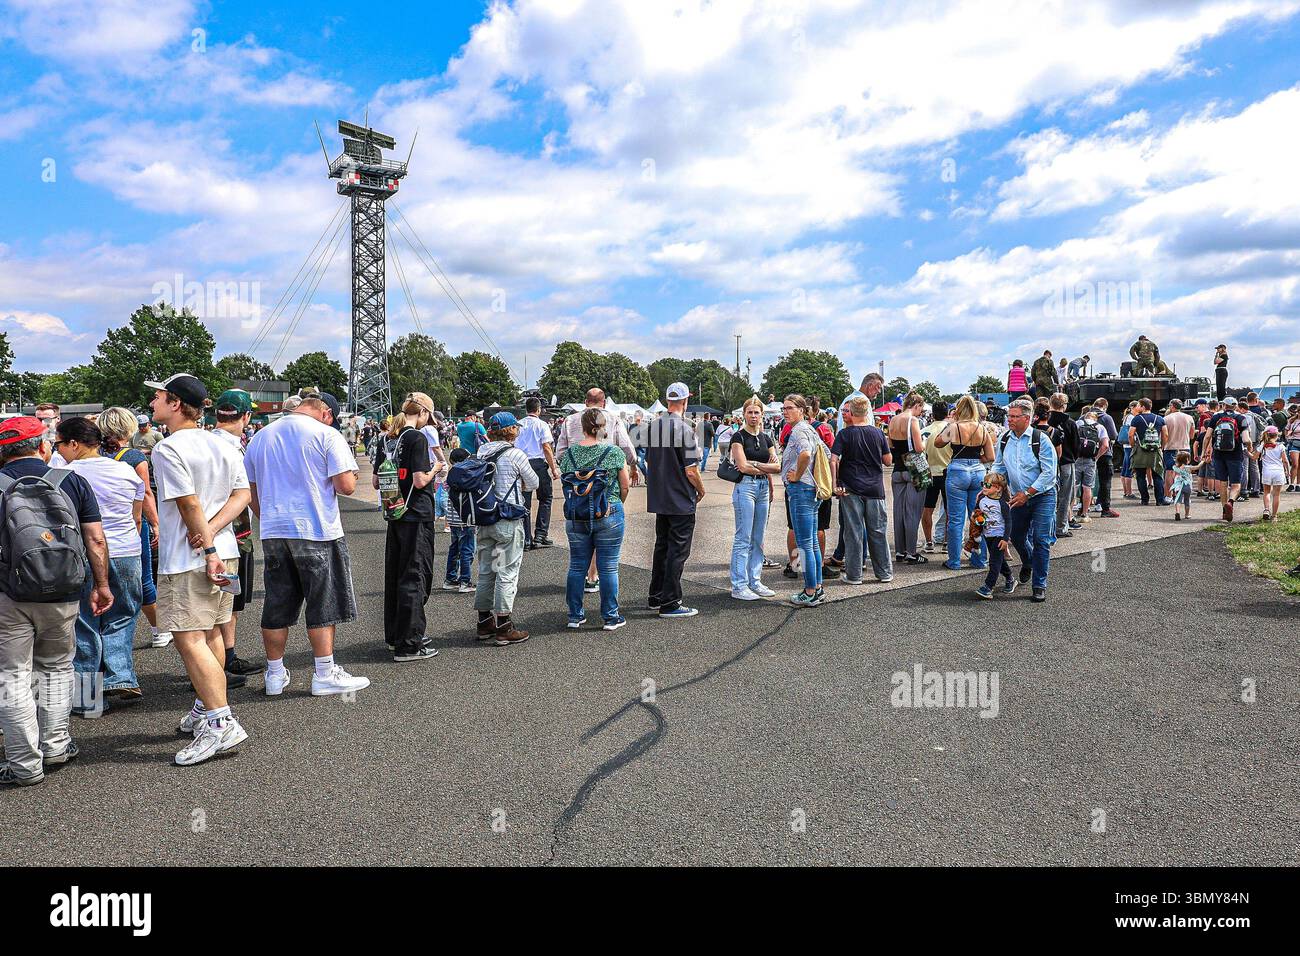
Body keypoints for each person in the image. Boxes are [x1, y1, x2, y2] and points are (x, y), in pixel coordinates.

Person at [0, 416, 112, 785]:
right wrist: (101, 584)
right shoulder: (71, 481)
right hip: (64, 592)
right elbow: (95, 539)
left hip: (9, 595)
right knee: (57, 668)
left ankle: (25, 765)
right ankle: (56, 746)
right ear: (44, 446)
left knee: (13, 677)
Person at [146, 373, 251, 765]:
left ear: (175, 403)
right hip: (224, 551)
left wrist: (205, 542)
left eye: (157, 397)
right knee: (210, 637)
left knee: (188, 638)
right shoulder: (222, 443)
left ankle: (221, 722)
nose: (152, 403)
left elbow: (188, 504)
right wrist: (216, 532)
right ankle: (207, 709)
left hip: (191, 558)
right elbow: (242, 494)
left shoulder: (168, 448)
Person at [243, 391, 370, 696]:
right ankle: (324, 672)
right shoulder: (327, 434)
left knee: (277, 601)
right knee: (323, 600)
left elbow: (251, 489)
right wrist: (351, 472)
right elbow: (347, 486)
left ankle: (274, 675)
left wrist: (269, 518)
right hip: (315, 529)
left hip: (274, 530)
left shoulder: (261, 436)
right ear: (327, 413)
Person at [57, 417, 146, 713]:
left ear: (73, 443)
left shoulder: (63, 475)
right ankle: (120, 674)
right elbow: (136, 517)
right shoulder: (126, 470)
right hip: (127, 551)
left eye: (59, 444)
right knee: (123, 613)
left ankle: (88, 697)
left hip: (86, 553)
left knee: (84, 621)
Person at [372, 392, 439, 662]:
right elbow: (420, 480)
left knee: (396, 573)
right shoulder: (416, 438)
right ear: (422, 413)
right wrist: (437, 469)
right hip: (416, 512)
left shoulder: (386, 439)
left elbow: (377, 482)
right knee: (416, 575)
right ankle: (410, 643)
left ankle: (396, 635)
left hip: (394, 511)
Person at [97, 407, 171, 650]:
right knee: (144, 580)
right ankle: (159, 630)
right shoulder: (135, 458)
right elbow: (146, 494)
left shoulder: (93, 455)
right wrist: (156, 524)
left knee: (102, 582)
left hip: (97, 528)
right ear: (128, 429)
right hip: (130, 524)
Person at [556, 388, 640, 593]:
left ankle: (583, 581)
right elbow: (626, 447)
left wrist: (573, 466)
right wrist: (633, 465)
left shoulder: (570, 420)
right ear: (603, 403)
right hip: (605, 480)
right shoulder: (612, 419)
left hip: (576, 483)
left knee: (582, 528)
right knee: (602, 522)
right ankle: (594, 575)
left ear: (586, 402)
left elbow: (560, 452)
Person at [559, 408, 630, 629]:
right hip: (608, 511)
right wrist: (617, 504)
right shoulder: (614, 452)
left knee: (577, 566)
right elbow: (625, 485)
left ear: (582, 427)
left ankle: (575, 615)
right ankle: (610, 616)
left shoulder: (569, 455)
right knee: (608, 566)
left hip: (576, 514)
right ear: (603, 427)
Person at [209, 391, 264, 678]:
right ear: (246, 417)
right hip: (231, 534)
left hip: (230, 533)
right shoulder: (228, 447)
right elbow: (238, 494)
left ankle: (227, 656)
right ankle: (216, 664)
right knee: (223, 603)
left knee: (230, 601)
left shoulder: (215, 443)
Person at [471, 412, 538, 644]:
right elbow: (534, 483)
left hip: (484, 518)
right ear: (511, 430)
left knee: (486, 570)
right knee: (507, 571)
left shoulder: (482, 451)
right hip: (507, 519)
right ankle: (503, 626)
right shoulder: (515, 454)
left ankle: (484, 622)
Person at [990, 397, 1058, 602]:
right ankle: (1028, 561)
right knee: (1017, 537)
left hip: (1042, 496)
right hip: (1018, 497)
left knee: (1041, 539)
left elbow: (1049, 474)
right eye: (1009, 416)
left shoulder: (1041, 439)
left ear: (1027, 418)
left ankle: (1039, 585)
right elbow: (999, 466)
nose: (1009, 420)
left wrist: (1027, 493)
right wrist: (989, 484)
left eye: (1014, 416)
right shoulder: (1004, 439)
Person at [646, 383, 705, 617]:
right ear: (685, 401)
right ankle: (670, 601)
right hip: (680, 497)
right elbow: (691, 470)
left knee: (662, 547)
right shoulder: (686, 429)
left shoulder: (652, 427)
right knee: (677, 551)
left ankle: (656, 594)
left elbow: (650, 460)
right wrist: (701, 490)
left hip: (661, 496)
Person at [831, 395, 894, 584]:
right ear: (867, 412)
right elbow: (888, 460)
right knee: (878, 531)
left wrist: (835, 485)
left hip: (850, 487)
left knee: (853, 532)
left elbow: (833, 459)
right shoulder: (877, 434)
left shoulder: (844, 434)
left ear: (851, 413)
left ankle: (854, 574)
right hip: (875, 488)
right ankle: (884, 573)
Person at [727, 397, 779, 600]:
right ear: (744, 414)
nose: (754, 416)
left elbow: (777, 467)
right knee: (743, 537)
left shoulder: (767, 439)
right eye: (750, 412)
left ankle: (754, 581)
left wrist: (755, 464)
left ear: (762, 415)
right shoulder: (738, 437)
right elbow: (742, 466)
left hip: (763, 488)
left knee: (759, 537)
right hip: (745, 487)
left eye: (757, 412)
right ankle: (739, 585)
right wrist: (762, 466)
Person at [934, 396, 993, 571]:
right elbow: (991, 457)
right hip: (977, 471)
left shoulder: (953, 427)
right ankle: (979, 559)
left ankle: (954, 561)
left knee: (955, 520)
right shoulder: (982, 428)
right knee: (977, 517)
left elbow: (938, 442)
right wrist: (976, 460)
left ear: (958, 409)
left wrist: (952, 422)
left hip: (957, 471)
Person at [781, 394, 825, 606]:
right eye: (784, 408)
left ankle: (809, 590)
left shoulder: (799, 430)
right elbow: (824, 452)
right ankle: (816, 587)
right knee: (812, 543)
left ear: (801, 409)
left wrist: (797, 475)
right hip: (811, 490)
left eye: (789, 408)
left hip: (802, 489)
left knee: (805, 543)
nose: (785, 411)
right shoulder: (810, 428)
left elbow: (806, 455)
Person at [887, 392, 929, 565]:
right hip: (914, 470)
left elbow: (890, 445)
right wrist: (926, 441)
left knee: (898, 512)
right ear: (917, 405)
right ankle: (912, 552)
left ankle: (900, 551)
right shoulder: (913, 421)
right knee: (912, 512)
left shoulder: (893, 420)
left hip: (897, 469)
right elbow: (919, 448)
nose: (921, 412)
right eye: (921, 408)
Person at [516, 397, 559, 550]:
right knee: (545, 498)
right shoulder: (542, 425)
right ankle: (540, 535)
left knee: (525, 501)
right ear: (539, 409)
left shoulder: (519, 424)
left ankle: (526, 539)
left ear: (526, 409)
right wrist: (553, 468)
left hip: (521, 463)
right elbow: (546, 447)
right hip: (538, 464)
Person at [1206, 397, 1251, 522]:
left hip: (1219, 454)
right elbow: (1246, 439)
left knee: (1223, 483)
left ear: (1223, 405)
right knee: (1236, 484)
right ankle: (1230, 502)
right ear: (1236, 406)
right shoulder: (1241, 418)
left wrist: (1206, 451)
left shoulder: (1216, 417)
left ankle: (1224, 512)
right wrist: (1250, 448)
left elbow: (1208, 436)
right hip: (1235, 455)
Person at [972, 473, 1016, 599]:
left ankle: (988, 587)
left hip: (999, 535)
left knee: (994, 562)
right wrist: (975, 517)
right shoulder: (981, 499)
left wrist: (1005, 539)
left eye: (987, 485)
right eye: (983, 484)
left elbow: (1008, 522)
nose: (984, 487)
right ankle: (1010, 578)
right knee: (999, 560)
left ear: (998, 488)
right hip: (987, 534)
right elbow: (977, 512)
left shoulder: (1002, 504)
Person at [919, 402, 952, 554]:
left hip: (929, 472)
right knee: (949, 509)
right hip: (948, 472)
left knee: (927, 509)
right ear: (947, 413)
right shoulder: (951, 430)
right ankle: (946, 542)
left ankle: (929, 541)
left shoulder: (924, 431)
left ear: (932, 414)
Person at [441, 447, 475, 592]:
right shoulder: (464, 475)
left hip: (453, 519)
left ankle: (450, 579)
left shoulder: (450, 476)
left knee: (454, 550)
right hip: (465, 519)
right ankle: (465, 582)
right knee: (467, 550)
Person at [1046, 394, 1080, 536]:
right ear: (1064, 405)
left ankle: (1048, 527)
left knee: (1048, 496)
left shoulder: (1045, 420)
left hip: (1047, 464)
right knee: (1065, 497)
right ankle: (1060, 527)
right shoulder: (1070, 422)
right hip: (1066, 462)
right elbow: (1076, 445)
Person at [1072, 406, 1108, 525]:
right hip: (1090, 460)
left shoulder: (1078, 423)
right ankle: (1084, 514)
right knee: (1087, 487)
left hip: (1076, 459)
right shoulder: (1099, 427)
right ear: (1095, 419)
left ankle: (1070, 514)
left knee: (1074, 486)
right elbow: (1106, 445)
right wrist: (1096, 457)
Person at [1128, 398, 1168, 506]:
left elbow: (1131, 434)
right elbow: (1165, 434)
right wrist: (1162, 446)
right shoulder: (1159, 418)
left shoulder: (1136, 419)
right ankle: (1160, 500)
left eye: (1139, 405)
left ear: (1143, 407)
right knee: (1158, 475)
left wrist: (1133, 446)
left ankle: (1144, 500)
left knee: (1140, 475)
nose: (1138, 407)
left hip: (1141, 450)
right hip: (1155, 450)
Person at [1091, 397, 1120, 518]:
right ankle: (1105, 508)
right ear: (1104, 406)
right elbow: (1113, 435)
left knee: (1086, 481)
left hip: (1088, 453)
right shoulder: (1106, 417)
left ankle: (1084, 506)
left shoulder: (1085, 416)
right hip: (1104, 452)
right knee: (1106, 480)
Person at [1161, 399, 1195, 494]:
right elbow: (1192, 435)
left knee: (1169, 471)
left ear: (1172, 406)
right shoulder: (1189, 418)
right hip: (1185, 447)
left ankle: (1168, 494)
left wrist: (1162, 445)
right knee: (1184, 472)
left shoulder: (1166, 419)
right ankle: (1182, 493)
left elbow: (1164, 435)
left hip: (1170, 447)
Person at [1254, 426, 1286, 522]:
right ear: (1277, 435)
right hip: (1278, 472)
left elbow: (1254, 457)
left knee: (1267, 492)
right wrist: (1287, 471)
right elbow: (1285, 461)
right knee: (1276, 495)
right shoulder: (1281, 446)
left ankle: (1266, 509)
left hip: (1267, 472)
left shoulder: (1262, 445)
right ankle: (1274, 516)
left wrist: (1246, 451)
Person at [1168, 452, 1203, 521]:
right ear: (1187, 460)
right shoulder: (1188, 467)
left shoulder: (1175, 468)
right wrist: (1203, 461)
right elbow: (1197, 467)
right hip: (1187, 486)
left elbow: (1173, 476)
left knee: (1178, 500)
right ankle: (1187, 514)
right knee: (1187, 500)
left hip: (1178, 486)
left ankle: (1177, 512)